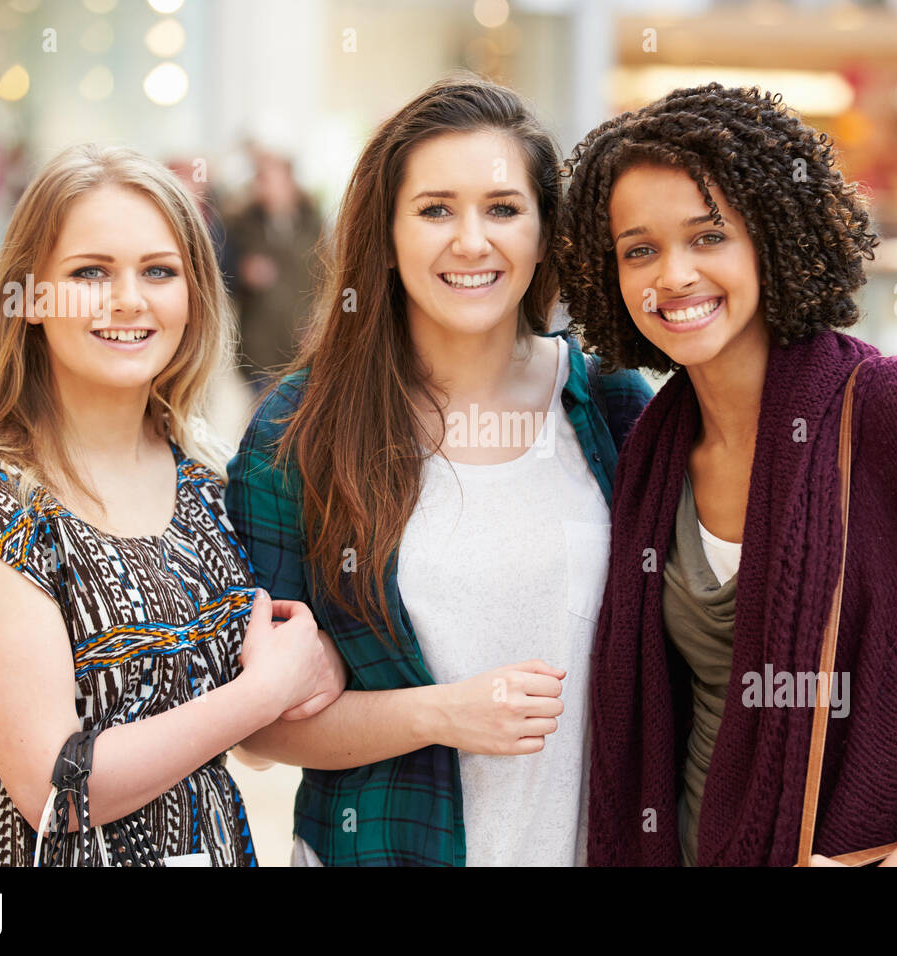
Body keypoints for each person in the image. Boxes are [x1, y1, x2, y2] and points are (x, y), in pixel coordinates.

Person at [556, 84, 897, 866]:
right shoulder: (654, 449)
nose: (673, 276)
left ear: (771, 235)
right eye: (640, 250)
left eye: (708, 237)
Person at [225, 74, 653, 866]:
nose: (471, 241)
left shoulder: (613, 403)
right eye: (434, 210)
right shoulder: (298, 432)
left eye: (502, 208)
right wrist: (438, 715)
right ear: (386, 234)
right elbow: (255, 729)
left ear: (543, 231)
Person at [0, 143, 344, 866]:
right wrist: (260, 694)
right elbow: (56, 790)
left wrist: (313, 661)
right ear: (31, 296)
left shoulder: (206, 479)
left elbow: (260, 734)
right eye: (90, 272)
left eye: (159, 271)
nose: (129, 299)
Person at [224, 149, 325, 389]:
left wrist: (320, 324)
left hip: (301, 346)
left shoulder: (314, 225)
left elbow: (330, 281)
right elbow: (221, 277)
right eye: (260, 180)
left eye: (270, 180)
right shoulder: (240, 225)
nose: (264, 188)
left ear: (289, 182)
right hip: (259, 349)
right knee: (264, 422)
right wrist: (242, 273)